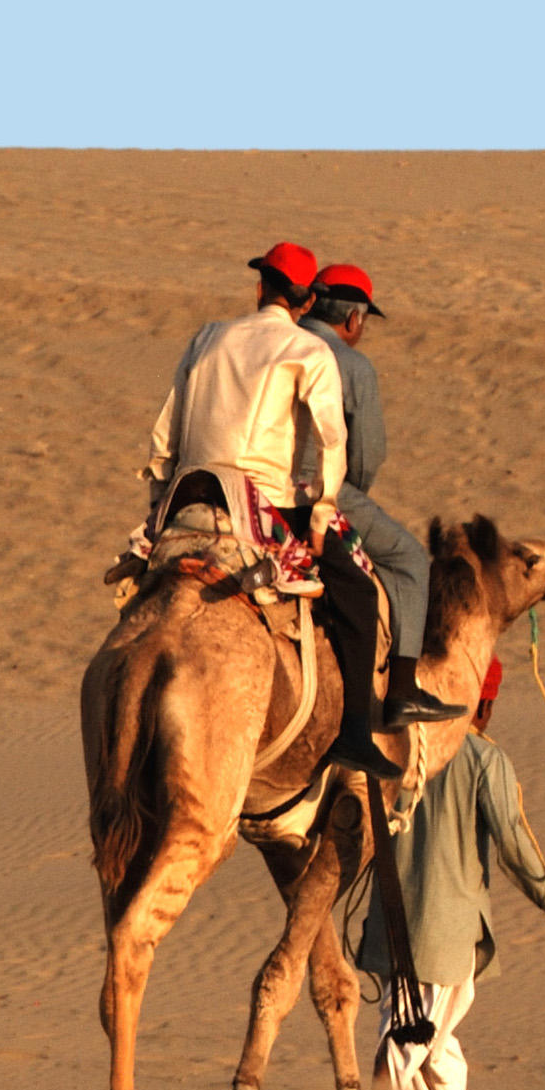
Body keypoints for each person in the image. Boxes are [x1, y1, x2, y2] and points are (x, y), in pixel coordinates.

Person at [145, 242, 389, 774]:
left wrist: (158, 502)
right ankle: (353, 734)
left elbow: (164, 431)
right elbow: (332, 439)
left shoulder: (207, 336)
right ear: (306, 303)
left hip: (186, 493)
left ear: (261, 288)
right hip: (261, 504)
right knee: (358, 593)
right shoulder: (307, 351)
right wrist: (323, 513)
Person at [350, 662, 545, 1090]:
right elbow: (511, 837)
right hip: (441, 930)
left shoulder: (400, 751)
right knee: (404, 1044)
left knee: (440, 1051)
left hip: (392, 920)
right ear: (483, 705)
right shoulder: (482, 758)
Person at [305, 261, 457, 732]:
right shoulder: (350, 365)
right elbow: (367, 455)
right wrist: (352, 497)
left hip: (244, 481)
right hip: (317, 487)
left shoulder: (277, 344)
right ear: (354, 319)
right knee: (409, 559)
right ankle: (402, 691)